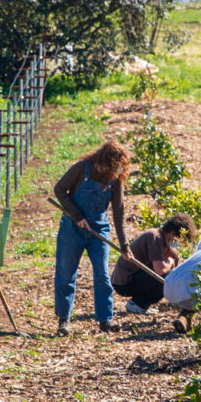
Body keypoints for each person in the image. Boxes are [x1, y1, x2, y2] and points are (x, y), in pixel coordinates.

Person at [52, 140, 130, 336]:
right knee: (66, 272)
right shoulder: (80, 169)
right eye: (116, 166)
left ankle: (105, 320)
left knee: (102, 274)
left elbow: (119, 212)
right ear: (106, 162)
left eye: (122, 167)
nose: (119, 170)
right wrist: (77, 216)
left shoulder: (115, 180)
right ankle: (64, 320)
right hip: (72, 228)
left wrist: (125, 246)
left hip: (99, 230)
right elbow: (59, 189)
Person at [113, 212, 195, 315]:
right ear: (172, 233)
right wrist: (170, 262)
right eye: (179, 239)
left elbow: (179, 271)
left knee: (172, 277)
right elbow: (160, 270)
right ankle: (137, 304)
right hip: (124, 282)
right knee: (167, 277)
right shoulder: (155, 237)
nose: (179, 243)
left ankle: (140, 304)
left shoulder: (169, 248)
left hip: (135, 278)